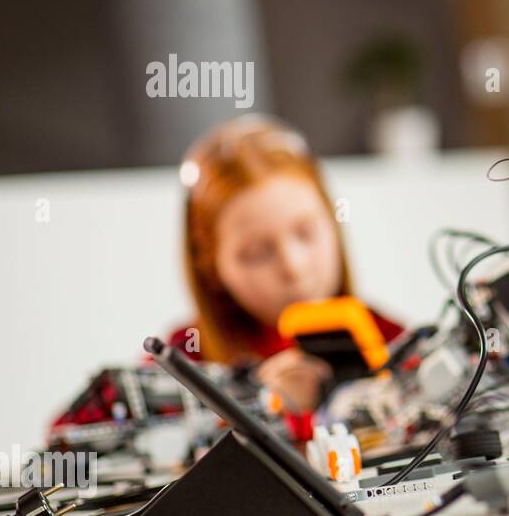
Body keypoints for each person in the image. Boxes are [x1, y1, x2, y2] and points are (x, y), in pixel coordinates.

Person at [171, 115, 401, 439]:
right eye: (256, 252)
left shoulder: (397, 343)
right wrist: (259, 414)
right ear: (210, 268)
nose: (293, 266)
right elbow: (76, 465)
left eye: (306, 233)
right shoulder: (179, 368)